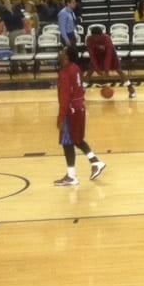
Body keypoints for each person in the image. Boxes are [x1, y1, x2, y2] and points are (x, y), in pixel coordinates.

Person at [54, 45, 106, 186]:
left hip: (71, 111)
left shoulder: (65, 73)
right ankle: (95, 162)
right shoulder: (76, 68)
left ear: (67, 56)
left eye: (62, 52)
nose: (59, 53)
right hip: (79, 108)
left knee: (68, 142)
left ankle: (72, 176)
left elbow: (65, 98)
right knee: (76, 139)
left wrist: (60, 118)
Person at [85, 24, 135, 96]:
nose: (96, 38)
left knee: (120, 71)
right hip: (97, 57)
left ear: (101, 35)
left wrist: (106, 70)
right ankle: (81, 92)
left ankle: (131, 89)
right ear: (92, 36)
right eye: (94, 36)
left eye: (97, 37)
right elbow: (92, 56)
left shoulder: (106, 38)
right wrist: (97, 70)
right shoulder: (89, 40)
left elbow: (108, 55)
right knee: (89, 72)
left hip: (111, 57)